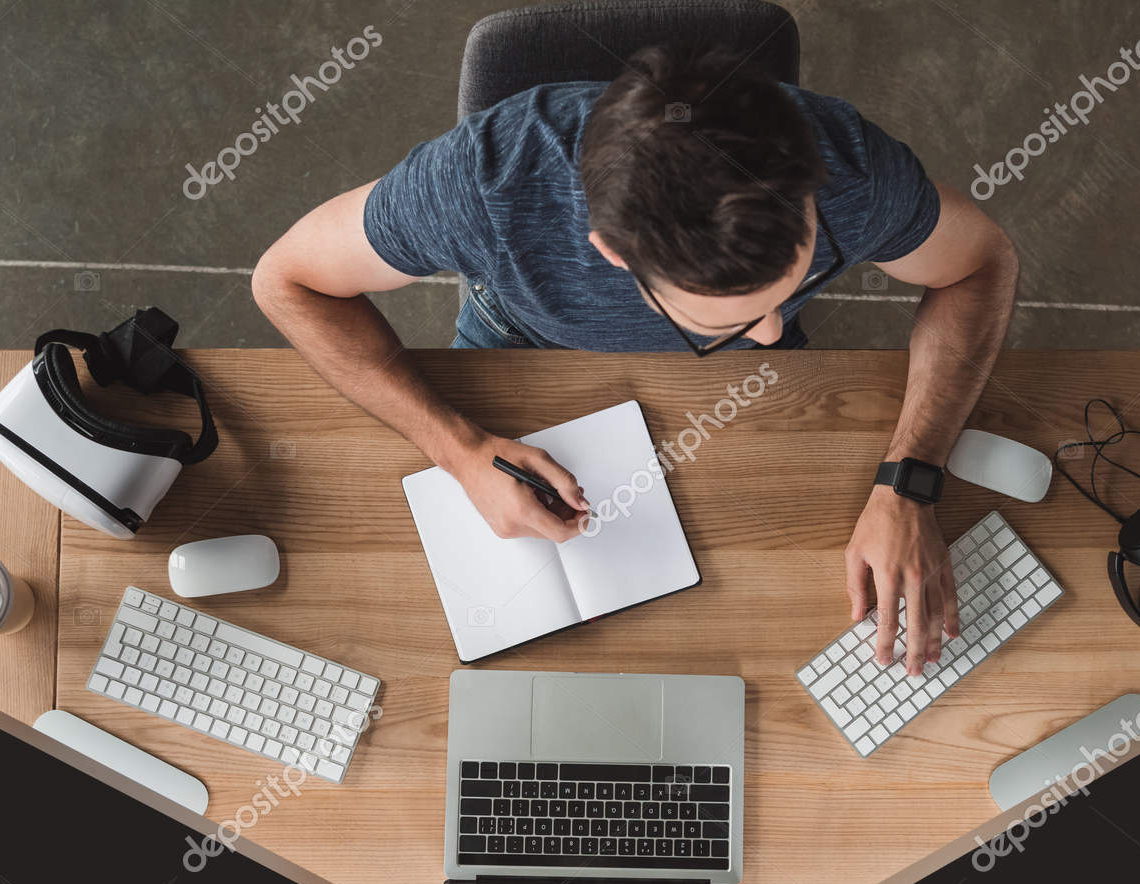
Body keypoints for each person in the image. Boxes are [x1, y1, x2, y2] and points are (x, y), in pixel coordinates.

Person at [252, 45, 1018, 676]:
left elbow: (981, 263)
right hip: (520, 341)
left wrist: (909, 483)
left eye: (791, 289)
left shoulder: (849, 170)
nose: (772, 336)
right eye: (722, 322)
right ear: (613, 255)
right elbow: (285, 281)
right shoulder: (480, 185)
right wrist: (456, 450)